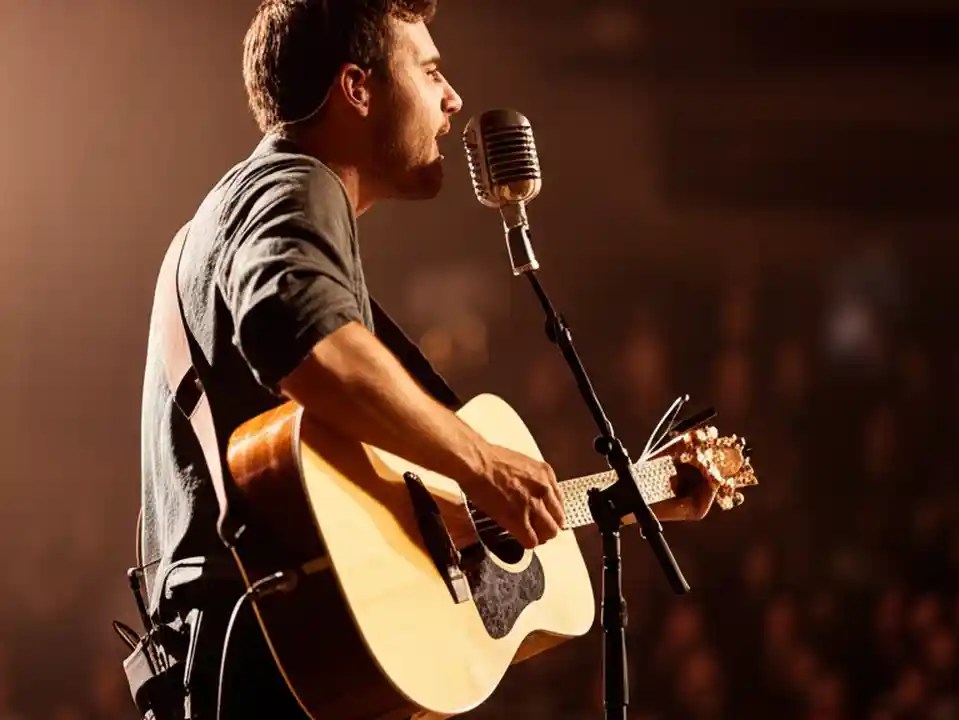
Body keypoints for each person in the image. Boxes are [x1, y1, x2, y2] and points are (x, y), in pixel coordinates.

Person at [137, 1, 715, 717]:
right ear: (357, 88)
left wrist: (627, 496)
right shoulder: (295, 184)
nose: (454, 98)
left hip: (263, 652)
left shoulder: (250, 209)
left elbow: (404, 518)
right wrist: (483, 463)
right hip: (265, 659)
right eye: (431, 71)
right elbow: (306, 346)